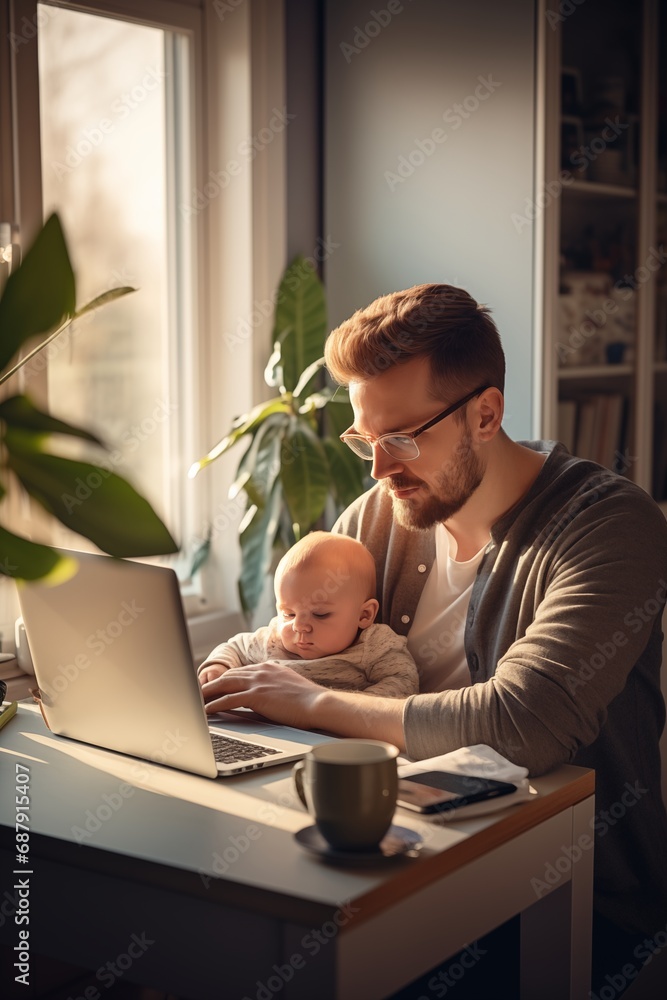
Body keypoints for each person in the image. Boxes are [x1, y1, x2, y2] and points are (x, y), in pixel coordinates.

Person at [199, 283, 667, 994]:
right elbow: (293, 648)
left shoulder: (610, 526)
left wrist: (311, 704)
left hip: (570, 892)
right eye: (365, 440)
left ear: (485, 414)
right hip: (398, 856)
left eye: (401, 439)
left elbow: (524, 724)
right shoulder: (379, 515)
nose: (379, 469)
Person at [198, 531, 418, 698]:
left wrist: (356, 707)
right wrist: (218, 666)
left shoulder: (374, 644)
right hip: (262, 729)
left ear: (364, 615)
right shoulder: (272, 639)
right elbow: (235, 648)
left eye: (320, 614)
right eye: (288, 613)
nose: (299, 626)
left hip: (334, 735)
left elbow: (404, 680)